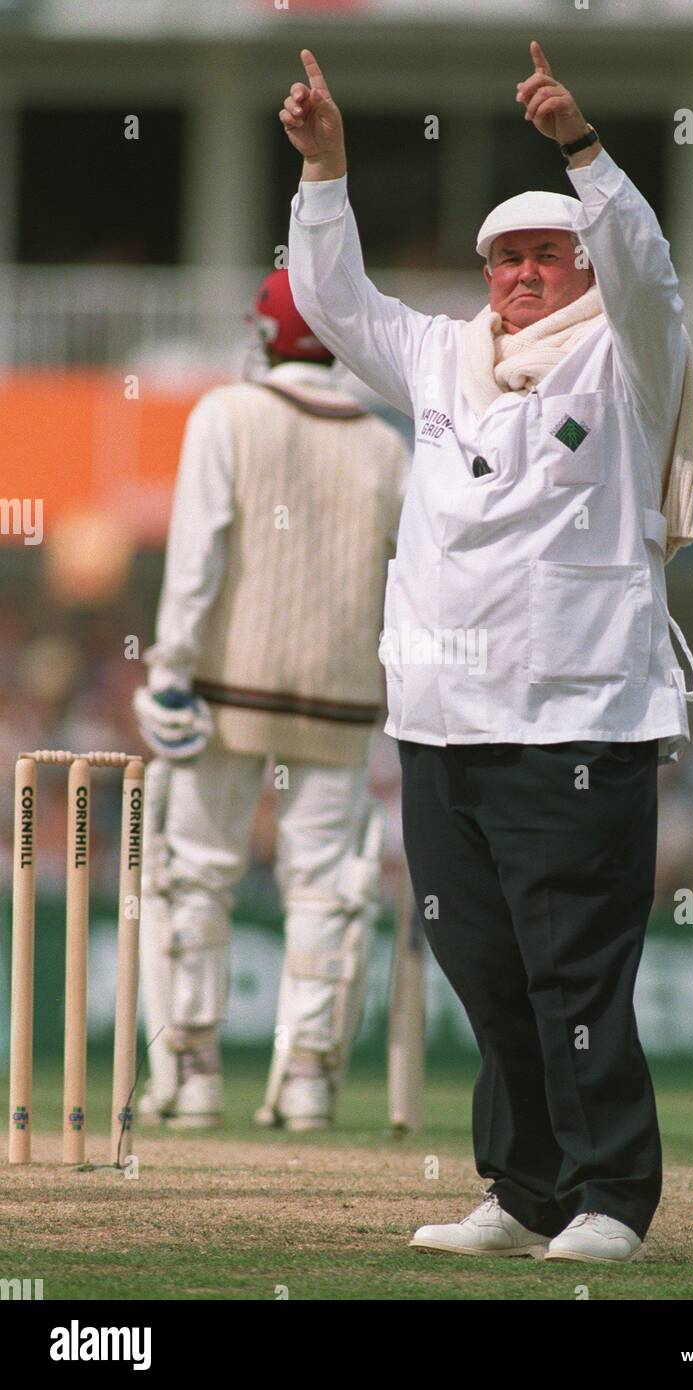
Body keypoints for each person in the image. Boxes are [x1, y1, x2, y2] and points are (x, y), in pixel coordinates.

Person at [282, 40, 693, 1262]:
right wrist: (324, 172)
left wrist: (581, 151)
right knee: (484, 967)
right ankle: (521, 1192)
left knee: (573, 973)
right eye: (505, 258)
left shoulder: (625, 356)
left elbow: (650, 275)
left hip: (577, 715)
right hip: (440, 715)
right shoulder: (440, 358)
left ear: (579, 264)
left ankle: (610, 1198)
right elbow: (332, 304)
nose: (522, 275)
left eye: (545, 254)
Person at [133, 270, 409, 1130]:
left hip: (225, 686)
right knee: (327, 886)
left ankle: (193, 1072)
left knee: (194, 871)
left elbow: (198, 552)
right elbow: (408, 583)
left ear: (265, 336)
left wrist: (171, 665)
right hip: (342, 693)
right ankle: (308, 1081)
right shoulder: (385, 443)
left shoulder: (228, 413)